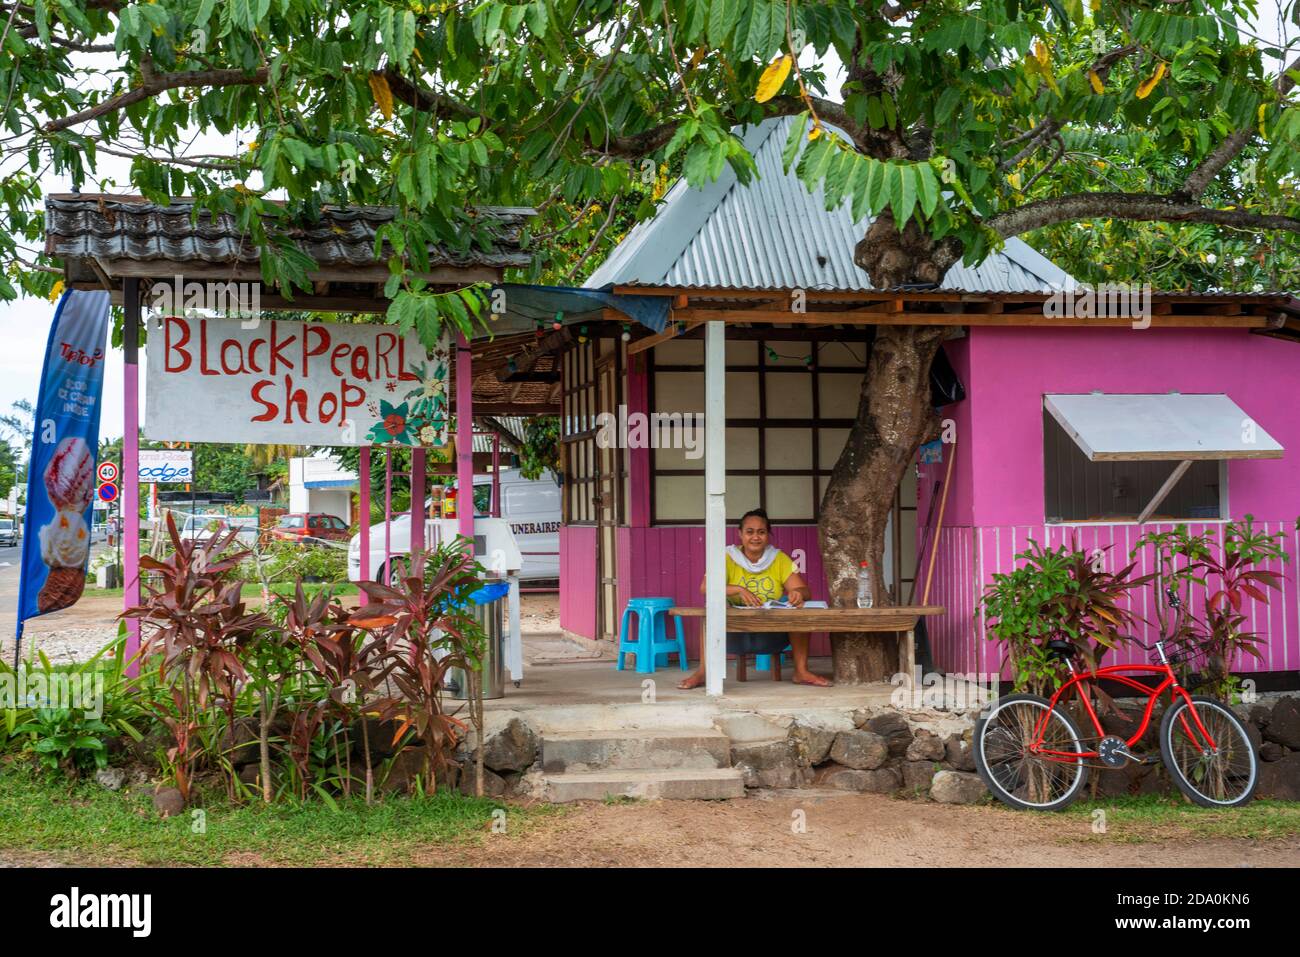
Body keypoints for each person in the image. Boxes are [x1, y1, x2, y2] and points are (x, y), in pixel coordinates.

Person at [677, 508, 832, 690]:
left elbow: (805, 590)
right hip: (733, 634)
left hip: (772, 634)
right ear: (740, 534)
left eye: (761, 532)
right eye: (749, 532)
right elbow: (705, 588)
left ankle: (801, 671)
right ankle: (703, 672)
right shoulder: (727, 558)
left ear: (768, 535)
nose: (755, 537)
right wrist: (737, 589)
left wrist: (798, 593)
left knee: (801, 611)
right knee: (709, 612)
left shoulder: (778, 559)